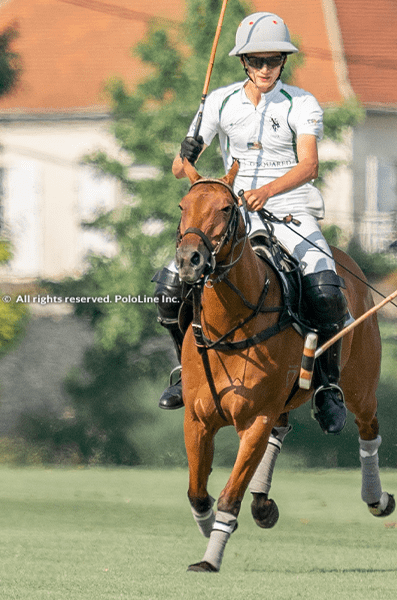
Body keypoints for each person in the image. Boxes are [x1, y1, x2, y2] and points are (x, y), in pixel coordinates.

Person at [152, 12, 348, 434]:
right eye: (256, 61)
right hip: (231, 215)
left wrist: (268, 191)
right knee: (169, 288)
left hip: (291, 210)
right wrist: (187, 150)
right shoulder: (220, 101)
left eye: (273, 60)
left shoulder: (301, 103)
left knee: (327, 291)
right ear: (243, 61)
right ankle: (185, 371)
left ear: (283, 61)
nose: (265, 69)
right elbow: (179, 169)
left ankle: (326, 386)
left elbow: (309, 165)